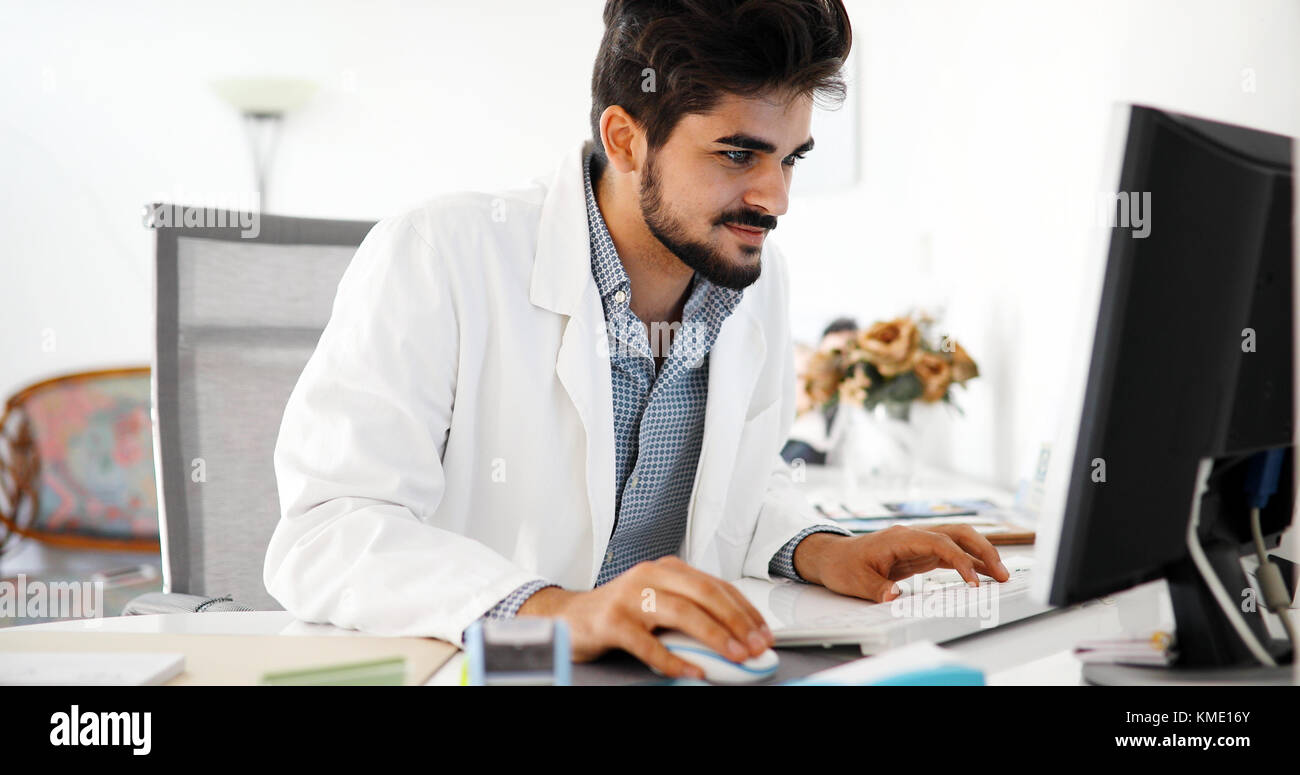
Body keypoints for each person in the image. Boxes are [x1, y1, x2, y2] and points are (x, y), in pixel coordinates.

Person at [264, 0, 1009, 680]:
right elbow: (330, 531)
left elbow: (745, 491)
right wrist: (561, 609)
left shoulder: (755, 277)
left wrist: (823, 549)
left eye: (790, 159)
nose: (776, 199)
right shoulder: (439, 254)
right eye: (737, 154)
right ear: (626, 138)